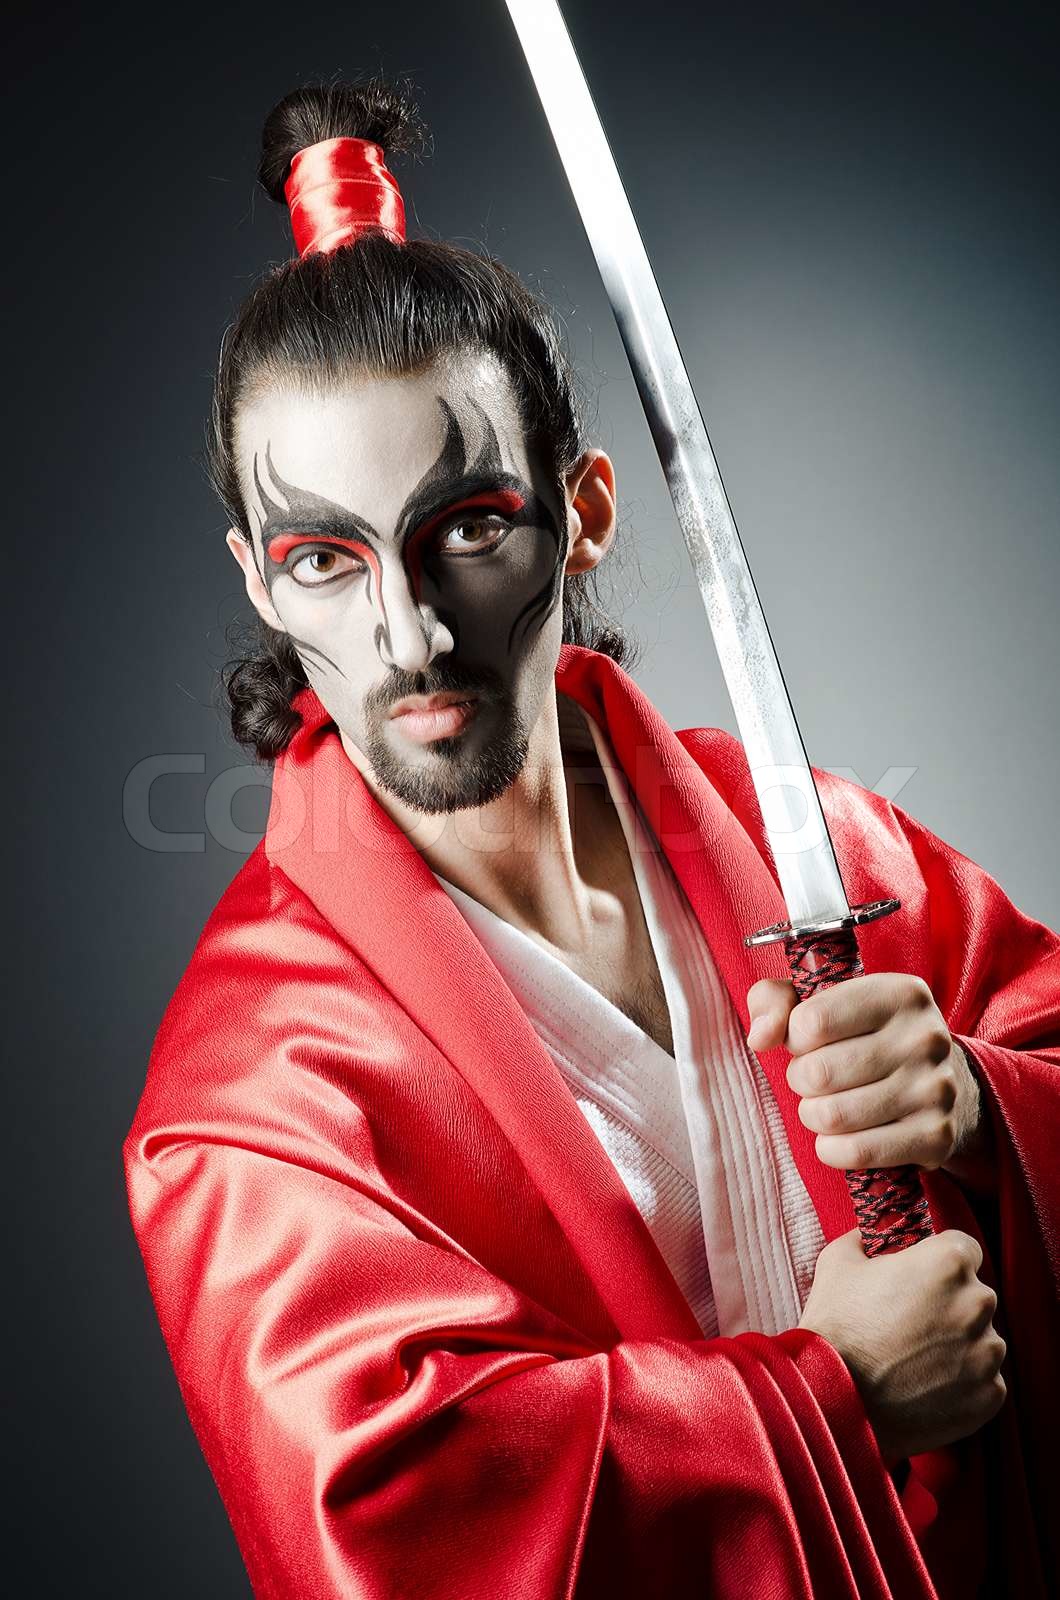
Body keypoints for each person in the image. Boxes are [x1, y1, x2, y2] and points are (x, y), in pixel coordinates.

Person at [124, 80, 1059, 1599]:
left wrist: (974, 1110)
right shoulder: (251, 1093)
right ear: (256, 580)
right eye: (324, 557)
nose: (410, 633)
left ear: (586, 510)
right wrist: (826, 1402)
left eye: (468, 528)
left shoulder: (822, 849)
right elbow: (396, 1517)